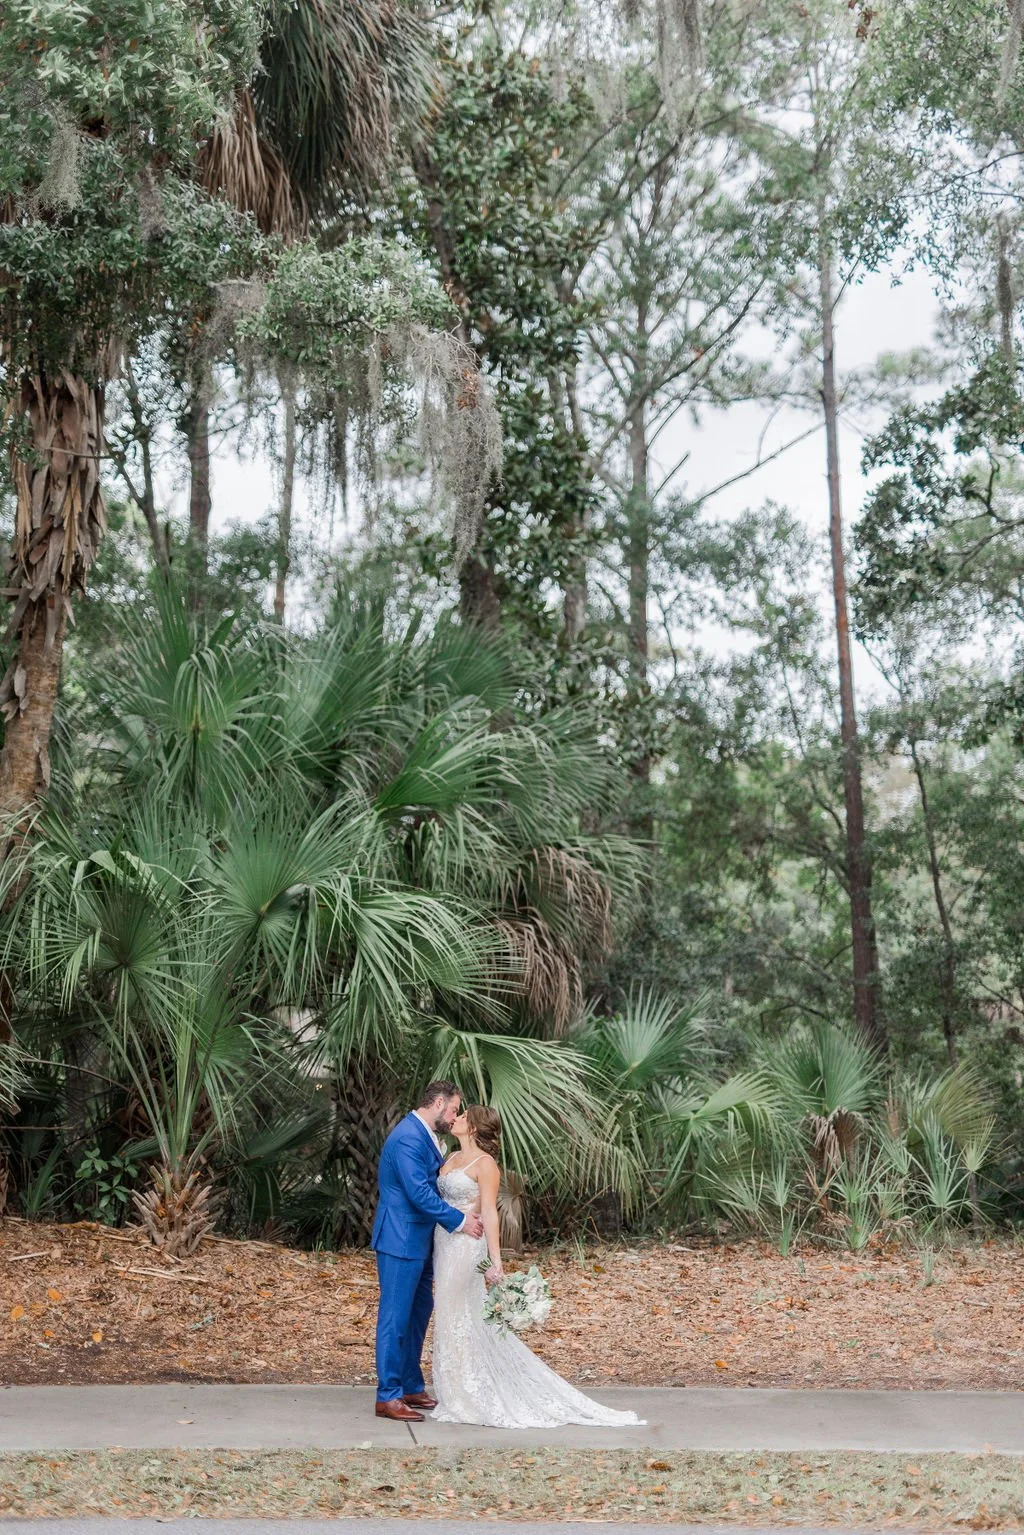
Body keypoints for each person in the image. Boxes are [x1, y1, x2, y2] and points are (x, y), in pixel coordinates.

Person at [430, 1102, 644, 1429]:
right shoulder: (450, 1158)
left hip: (465, 1246)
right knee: (448, 1315)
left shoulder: (485, 1165)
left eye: (462, 1116)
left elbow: (489, 1212)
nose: (455, 1119)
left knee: (457, 1312)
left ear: (473, 1126)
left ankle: (470, 1395)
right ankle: (455, 1392)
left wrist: (495, 1261)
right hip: (443, 1242)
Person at [370, 1080, 484, 1422]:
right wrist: (460, 1222)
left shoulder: (426, 1136)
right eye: (452, 1109)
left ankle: (409, 1385)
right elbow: (419, 1194)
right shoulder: (407, 1137)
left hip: (421, 1241)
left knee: (418, 1313)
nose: (453, 1117)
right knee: (395, 1317)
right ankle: (387, 1396)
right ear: (437, 1103)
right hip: (399, 1240)